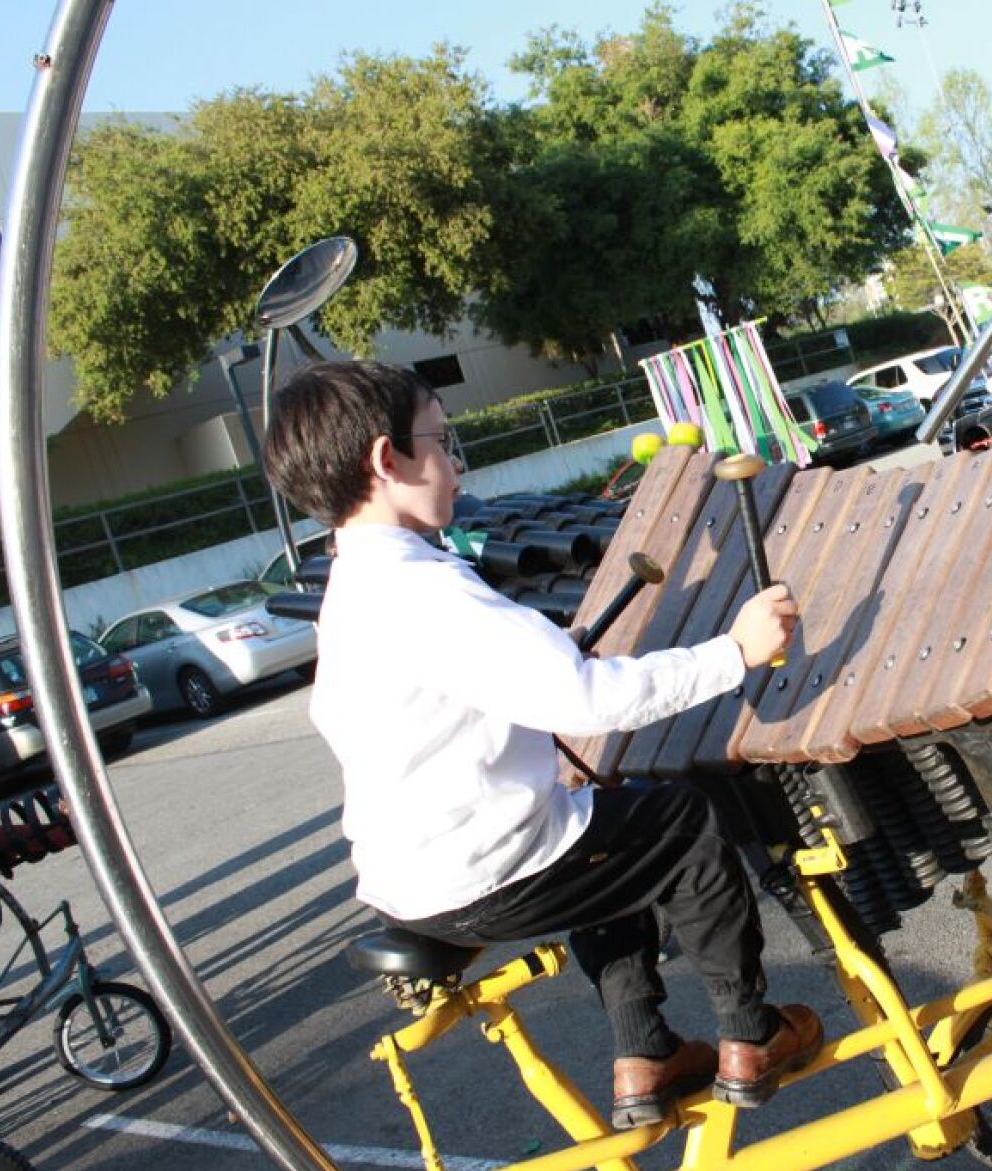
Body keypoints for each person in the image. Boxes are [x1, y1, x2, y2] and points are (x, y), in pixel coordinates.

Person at [262, 360, 821, 1129]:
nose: (455, 464)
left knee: (596, 823)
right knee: (686, 822)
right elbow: (586, 700)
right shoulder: (424, 590)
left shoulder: (352, 590)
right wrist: (736, 652)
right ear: (388, 460)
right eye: (441, 442)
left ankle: (646, 1054)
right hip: (482, 873)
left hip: (414, 885)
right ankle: (752, 1034)